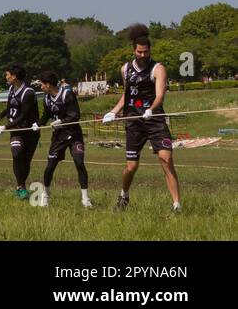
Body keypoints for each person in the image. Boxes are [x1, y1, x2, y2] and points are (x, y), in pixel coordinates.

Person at [105, 25, 181, 213]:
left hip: (154, 120)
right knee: (131, 167)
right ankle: (123, 195)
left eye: (146, 52)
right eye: (139, 52)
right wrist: (114, 111)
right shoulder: (125, 69)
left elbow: (160, 96)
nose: (142, 55)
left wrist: (151, 109)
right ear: (134, 50)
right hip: (134, 121)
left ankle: (176, 205)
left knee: (166, 159)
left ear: (150, 50)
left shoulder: (158, 68)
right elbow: (127, 94)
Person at [37, 72, 91, 208]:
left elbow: (75, 115)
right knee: (50, 167)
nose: (41, 87)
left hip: (74, 135)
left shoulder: (67, 94)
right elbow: (47, 115)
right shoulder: (46, 99)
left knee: (79, 163)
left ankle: (85, 198)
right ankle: (46, 195)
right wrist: (37, 124)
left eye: (42, 84)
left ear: (48, 84)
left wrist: (61, 121)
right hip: (58, 137)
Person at [0, 63, 39, 201]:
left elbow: (24, 116)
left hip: (29, 131)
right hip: (16, 131)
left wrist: (6, 126)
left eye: (7, 75)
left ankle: (21, 186)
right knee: (16, 153)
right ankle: (20, 187)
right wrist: (1, 116)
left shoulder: (28, 93)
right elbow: (9, 108)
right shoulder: (11, 89)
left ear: (14, 76)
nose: (6, 77)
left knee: (25, 161)